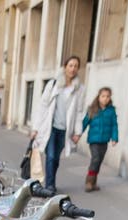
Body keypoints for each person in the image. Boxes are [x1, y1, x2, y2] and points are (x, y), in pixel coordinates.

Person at [29, 56, 85, 192]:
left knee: (56, 159)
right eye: (70, 65)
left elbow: (79, 111)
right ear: (65, 67)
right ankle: (50, 186)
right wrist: (35, 128)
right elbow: (42, 106)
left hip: (65, 130)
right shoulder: (53, 84)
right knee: (51, 156)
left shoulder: (79, 89)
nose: (73, 68)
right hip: (51, 127)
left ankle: (51, 181)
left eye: (76, 66)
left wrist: (78, 132)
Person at [81, 87, 118, 191]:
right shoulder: (92, 109)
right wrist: (77, 135)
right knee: (96, 159)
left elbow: (114, 125)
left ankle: (94, 183)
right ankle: (89, 182)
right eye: (103, 96)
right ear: (98, 97)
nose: (105, 98)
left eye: (108, 96)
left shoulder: (111, 111)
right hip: (94, 140)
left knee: (99, 161)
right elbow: (84, 123)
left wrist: (114, 138)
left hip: (104, 141)